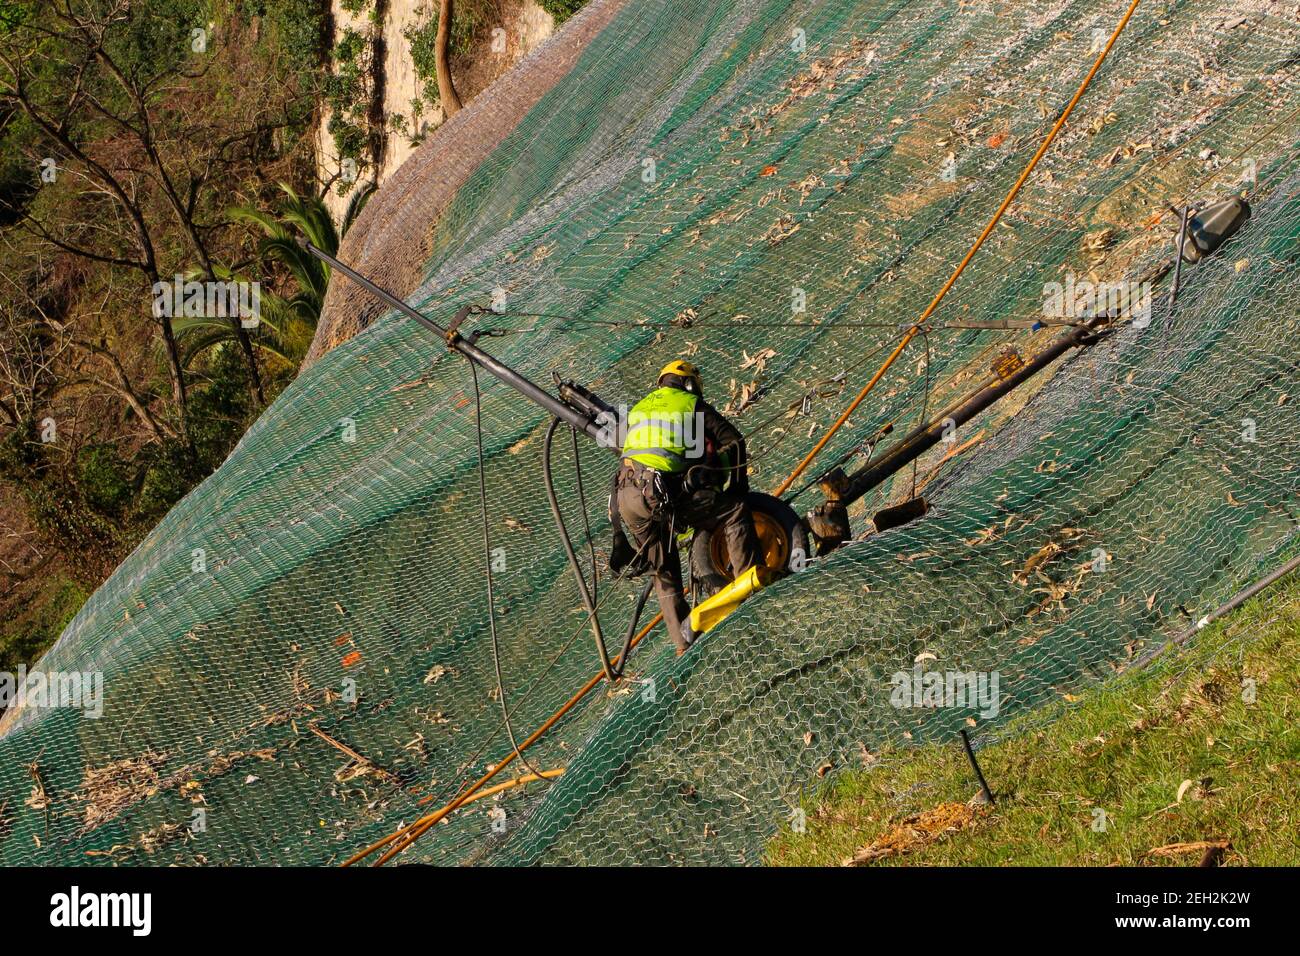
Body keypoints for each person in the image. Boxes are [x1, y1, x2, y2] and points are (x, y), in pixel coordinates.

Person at [612, 359, 761, 654]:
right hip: (657, 492)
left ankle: (683, 645)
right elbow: (735, 441)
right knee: (733, 511)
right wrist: (738, 488)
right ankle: (751, 583)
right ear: (689, 383)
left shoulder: (639, 409)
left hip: (626, 498)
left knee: (663, 571)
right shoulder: (688, 402)